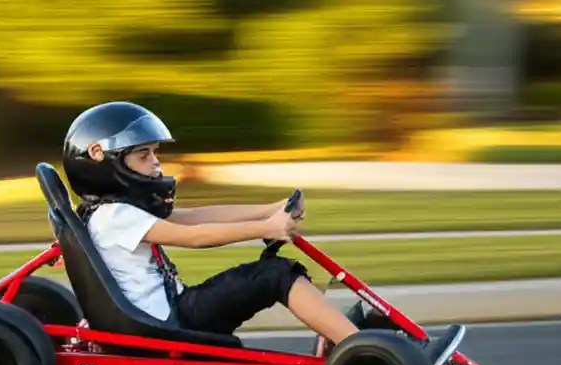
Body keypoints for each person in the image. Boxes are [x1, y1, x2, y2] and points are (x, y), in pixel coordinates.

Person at [61, 101, 359, 349]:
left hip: (173, 310)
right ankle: (355, 346)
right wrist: (265, 228)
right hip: (168, 322)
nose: (155, 163)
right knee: (276, 274)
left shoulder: (112, 213)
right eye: (144, 155)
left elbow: (196, 217)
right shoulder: (116, 217)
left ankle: (347, 340)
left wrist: (270, 211)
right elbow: (195, 237)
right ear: (100, 158)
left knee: (270, 274)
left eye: (154, 153)